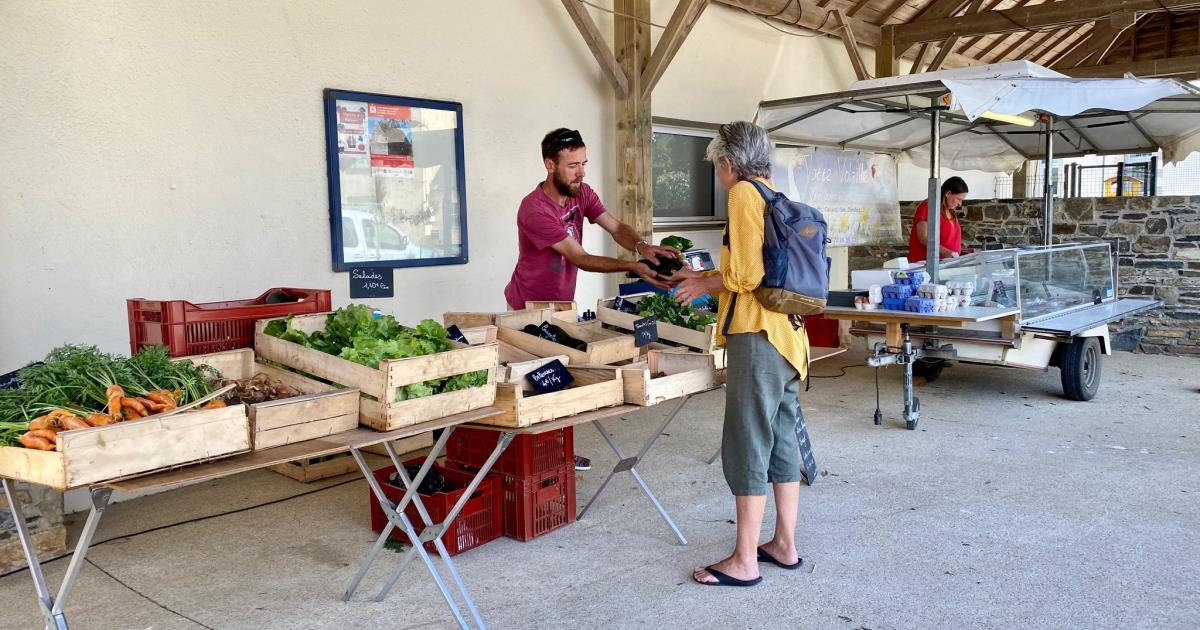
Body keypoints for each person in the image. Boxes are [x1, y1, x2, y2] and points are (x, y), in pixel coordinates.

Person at [673, 121, 809, 587]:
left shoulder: (744, 195)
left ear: (728, 162)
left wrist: (703, 282)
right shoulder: (774, 193)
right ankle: (784, 545)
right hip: (791, 337)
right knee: (781, 438)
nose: (717, 175)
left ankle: (745, 560)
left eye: (716, 167)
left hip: (757, 336)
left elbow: (746, 275)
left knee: (748, 440)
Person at [504, 128, 679, 470]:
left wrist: (642, 247)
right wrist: (634, 266)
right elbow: (579, 257)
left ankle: (560, 455)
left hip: (562, 306)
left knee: (562, 376)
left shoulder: (581, 193)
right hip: (528, 308)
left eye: (583, 163)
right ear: (549, 165)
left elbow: (615, 226)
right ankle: (538, 460)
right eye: (572, 165)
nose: (582, 172)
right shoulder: (534, 209)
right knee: (537, 384)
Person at [907, 176, 968, 263]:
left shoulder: (951, 212)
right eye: (958, 199)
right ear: (948, 194)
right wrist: (946, 252)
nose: (960, 204)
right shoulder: (928, 206)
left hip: (945, 265)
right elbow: (923, 238)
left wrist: (961, 252)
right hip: (925, 265)